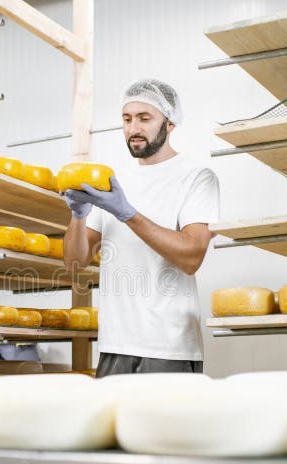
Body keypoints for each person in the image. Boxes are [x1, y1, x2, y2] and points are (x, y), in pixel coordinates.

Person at [63, 78, 220, 377]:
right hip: (114, 346)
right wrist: (78, 216)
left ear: (170, 123)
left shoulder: (196, 177)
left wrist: (126, 213)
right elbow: (73, 263)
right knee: (114, 426)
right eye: (127, 119)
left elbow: (191, 257)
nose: (134, 128)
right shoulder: (110, 182)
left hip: (168, 347)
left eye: (145, 118)